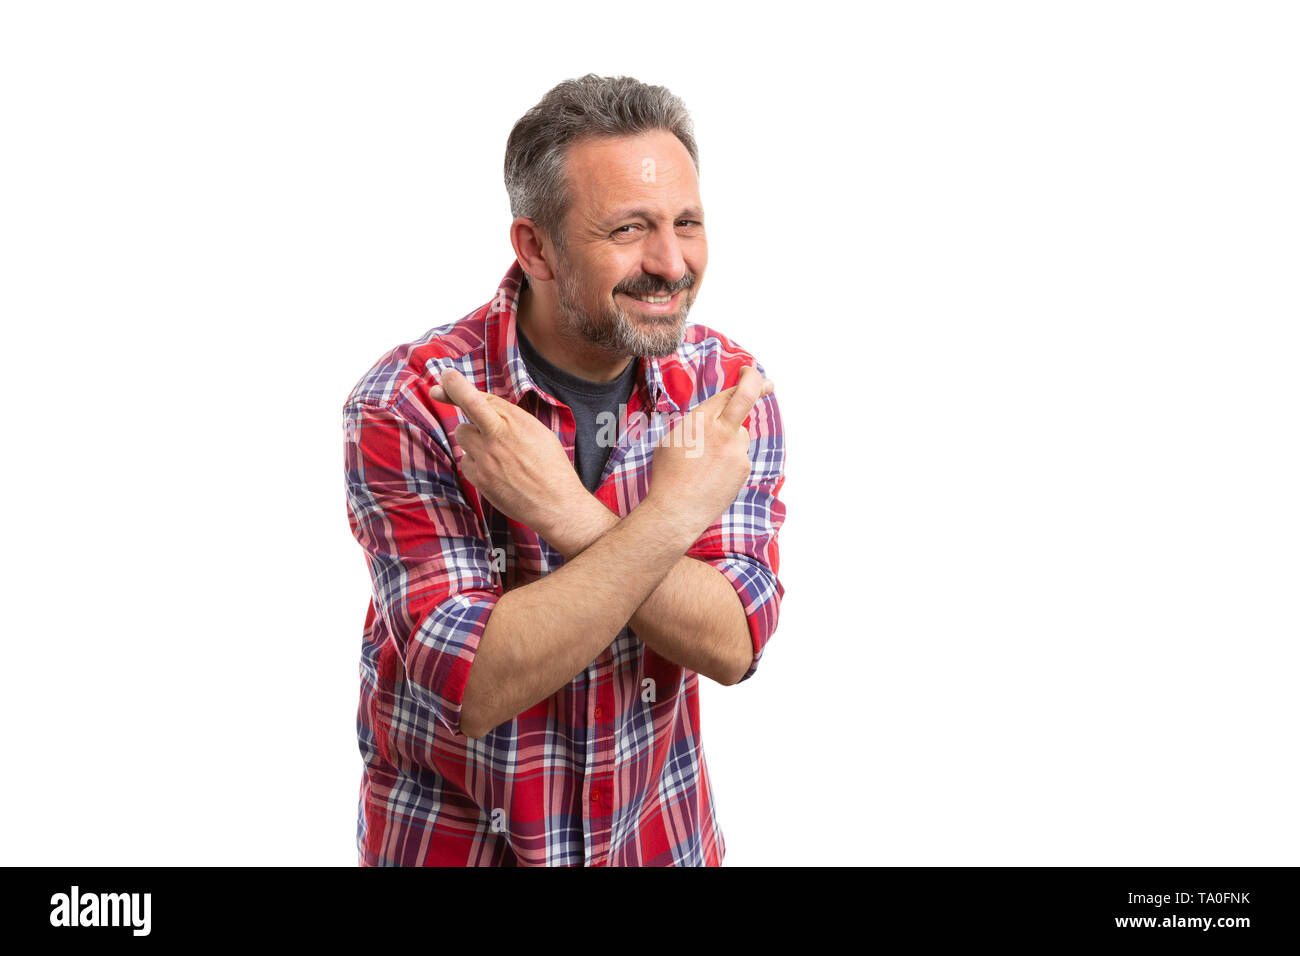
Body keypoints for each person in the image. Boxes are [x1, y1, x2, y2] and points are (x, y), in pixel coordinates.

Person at [341, 73, 787, 866]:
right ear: (535, 247)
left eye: (688, 222)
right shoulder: (409, 404)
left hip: (661, 842)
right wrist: (669, 521)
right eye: (628, 229)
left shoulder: (727, 389)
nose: (671, 262)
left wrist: (571, 515)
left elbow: (733, 643)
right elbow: (472, 686)